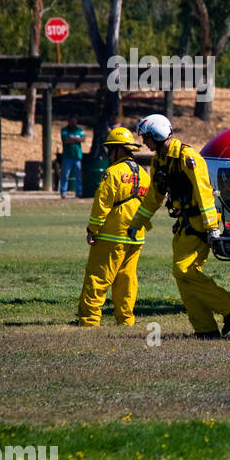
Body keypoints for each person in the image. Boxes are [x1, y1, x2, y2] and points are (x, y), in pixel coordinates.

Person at [129, 114, 230, 338]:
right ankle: (205, 329)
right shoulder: (160, 160)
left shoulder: (188, 157)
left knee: (183, 270)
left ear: (157, 136)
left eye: (146, 138)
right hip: (183, 224)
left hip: (199, 223)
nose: (144, 143)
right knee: (183, 277)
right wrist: (137, 223)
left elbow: (204, 193)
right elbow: (154, 197)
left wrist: (212, 228)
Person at [76, 127, 149, 326]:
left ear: (119, 150)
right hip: (136, 237)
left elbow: (102, 204)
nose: (108, 154)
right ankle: (125, 320)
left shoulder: (112, 173)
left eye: (111, 149)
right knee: (126, 281)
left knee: (98, 278)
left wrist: (93, 229)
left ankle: (89, 319)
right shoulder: (144, 174)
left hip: (112, 235)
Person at [59, 116, 85, 198]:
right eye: (72, 122)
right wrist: (76, 139)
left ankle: (79, 191)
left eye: (75, 122)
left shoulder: (79, 130)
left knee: (79, 175)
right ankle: (63, 191)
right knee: (65, 175)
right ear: (69, 122)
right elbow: (66, 140)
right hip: (67, 156)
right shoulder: (64, 130)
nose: (73, 123)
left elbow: (83, 139)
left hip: (77, 156)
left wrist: (72, 138)